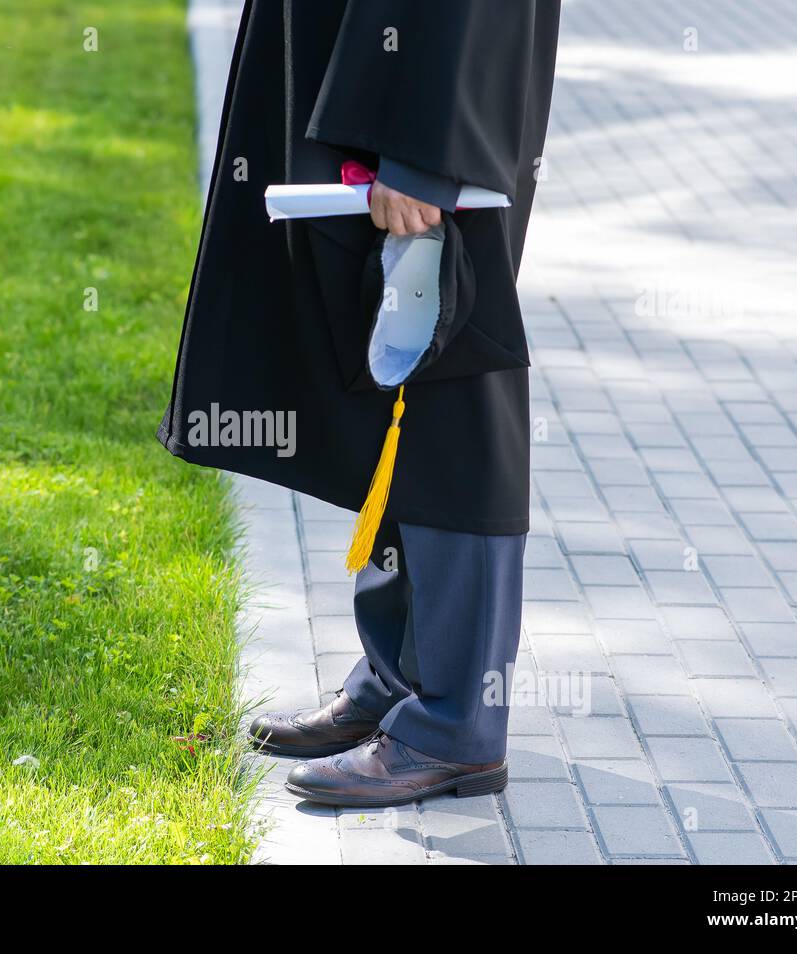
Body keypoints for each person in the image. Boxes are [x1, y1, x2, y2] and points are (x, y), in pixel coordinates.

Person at [158, 0, 561, 808]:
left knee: (453, 380)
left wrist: (426, 152)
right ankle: (399, 676)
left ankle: (456, 725)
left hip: (431, 114)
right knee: (392, 377)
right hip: (374, 85)